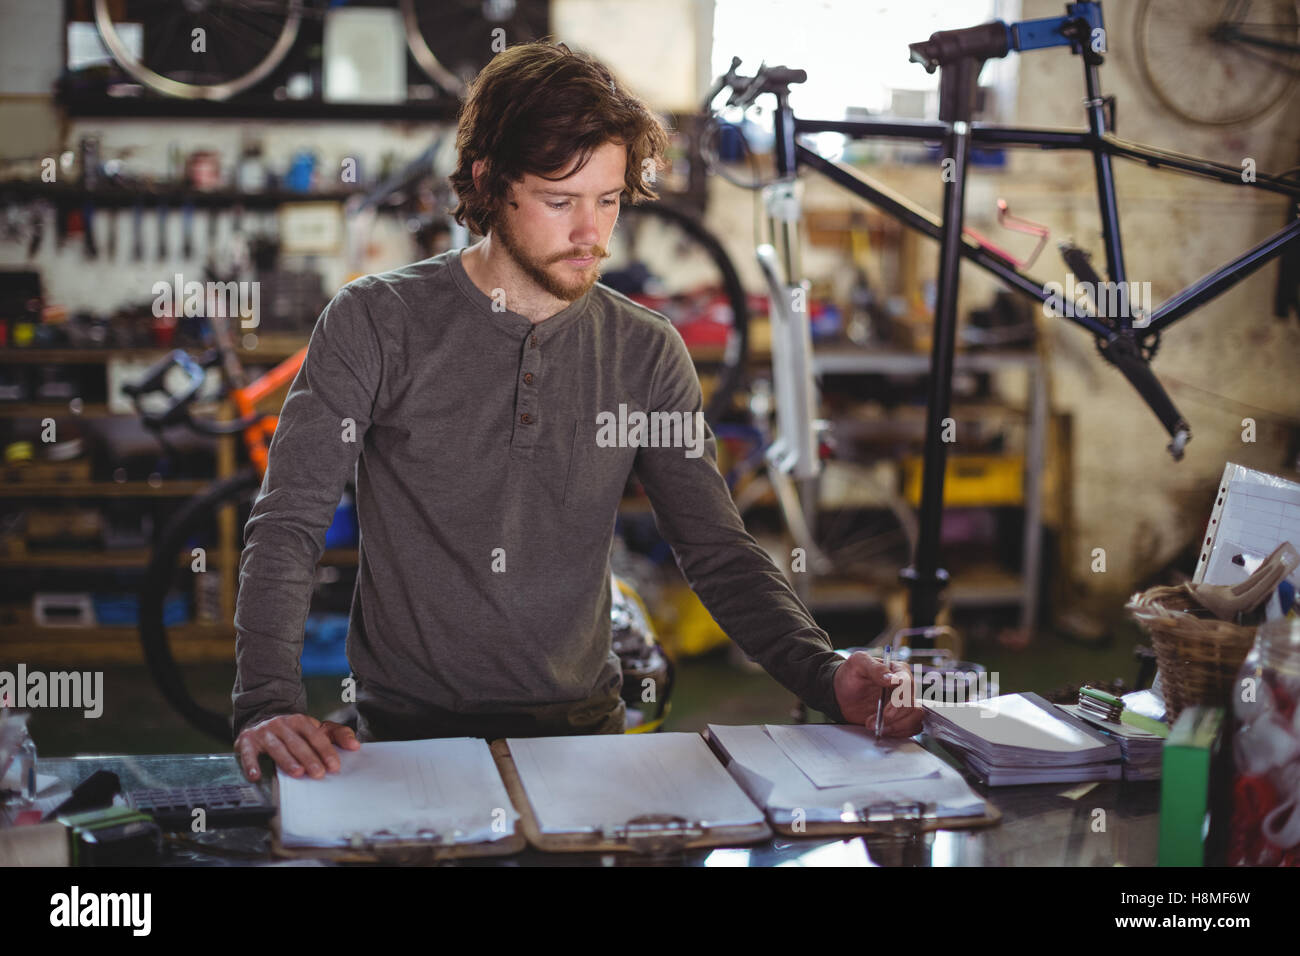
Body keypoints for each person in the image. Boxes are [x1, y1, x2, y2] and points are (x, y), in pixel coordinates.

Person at [232, 41, 921, 783]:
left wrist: (822, 674)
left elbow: (714, 549)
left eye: (610, 200)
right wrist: (266, 701)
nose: (592, 235)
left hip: (584, 737)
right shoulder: (375, 321)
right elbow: (288, 523)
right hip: (404, 741)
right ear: (491, 183)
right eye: (561, 202)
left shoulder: (645, 349)